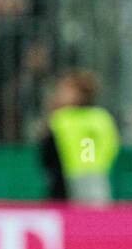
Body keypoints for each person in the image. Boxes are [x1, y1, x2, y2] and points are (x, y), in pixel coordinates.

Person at [38, 70, 120, 204]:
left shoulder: (97, 117)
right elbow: (48, 151)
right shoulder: (60, 118)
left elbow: (109, 145)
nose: (60, 94)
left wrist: (92, 163)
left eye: (66, 91)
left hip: (92, 175)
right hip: (64, 176)